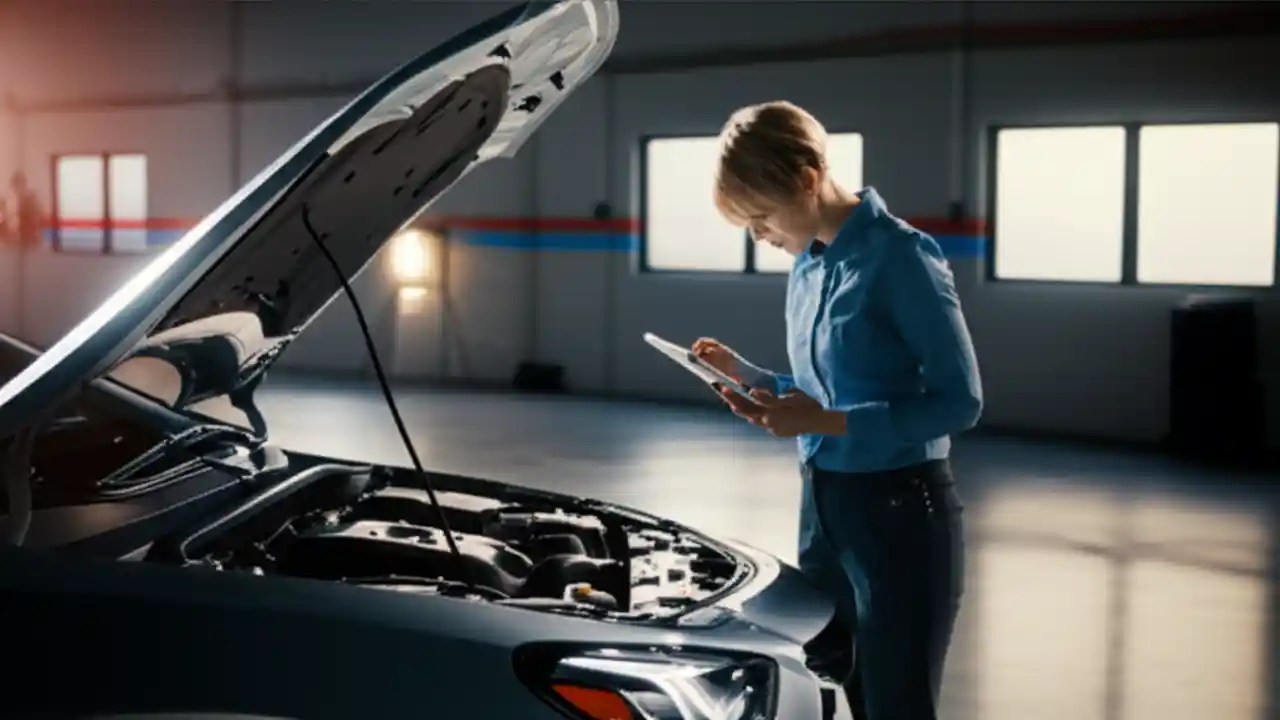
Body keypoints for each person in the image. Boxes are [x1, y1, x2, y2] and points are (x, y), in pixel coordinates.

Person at [692, 101, 982, 720]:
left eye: (761, 216)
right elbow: (824, 392)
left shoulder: (902, 257)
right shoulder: (808, 266)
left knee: (896, 705)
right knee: (840, 687)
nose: (759, 235)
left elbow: (959, 402)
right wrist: (746, 375)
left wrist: (819, 422)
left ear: (805, 178)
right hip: (824, 509)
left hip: (902, 513)